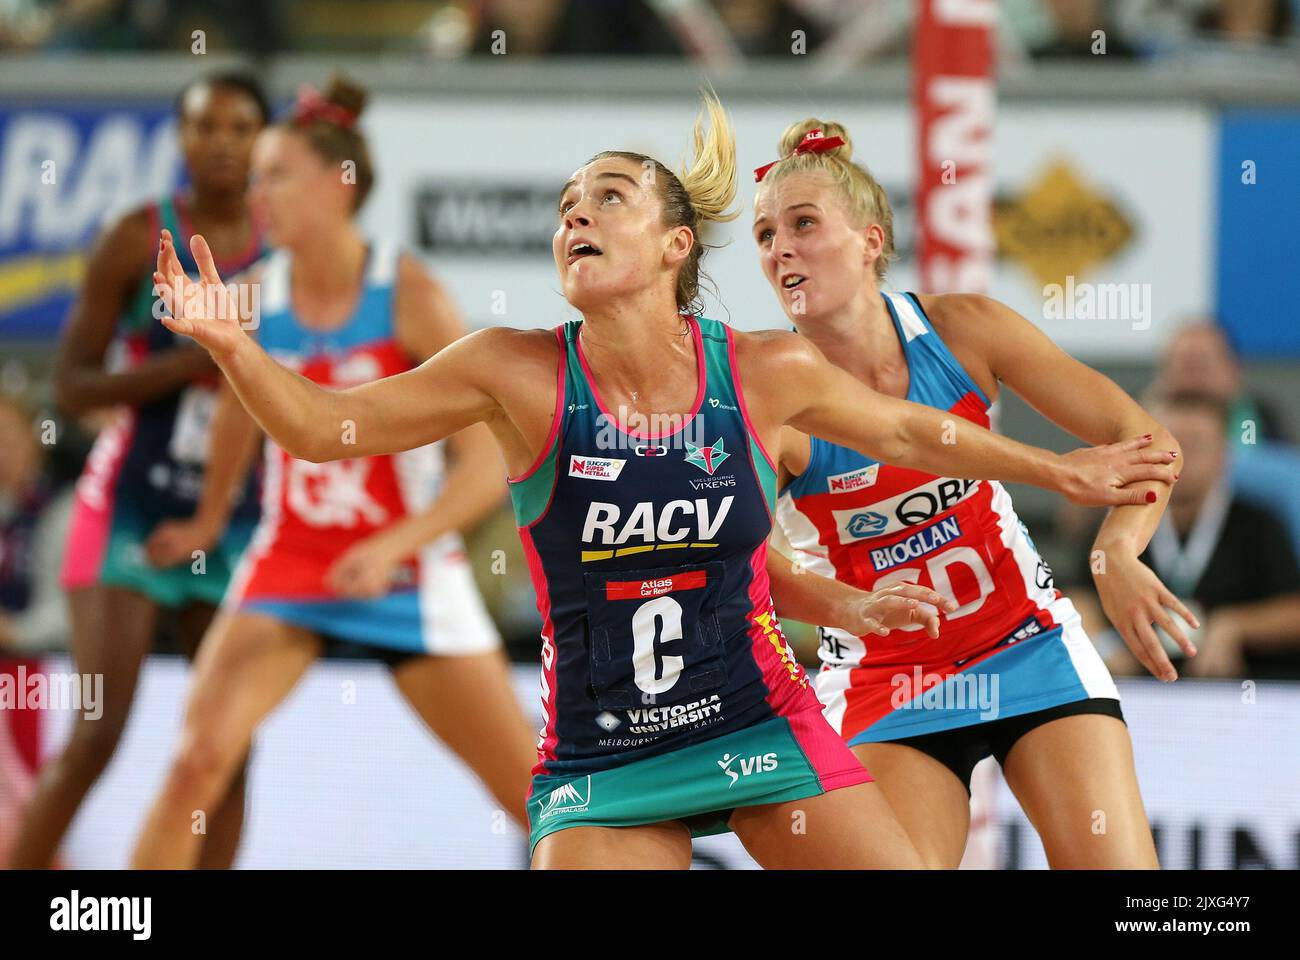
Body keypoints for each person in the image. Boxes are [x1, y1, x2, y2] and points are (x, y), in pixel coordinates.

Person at [136, 94, 1171, 870]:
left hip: (761, 724)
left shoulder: (764, 371)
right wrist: (235, 350)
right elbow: (325, 429)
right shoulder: (516, 368)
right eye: (563, 206)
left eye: (607, 197)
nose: (575, 216)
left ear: (673, 246)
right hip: (609, 755)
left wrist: (1060, 472)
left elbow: (920, 433)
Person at [752, 118, 1186, 868]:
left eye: (802, 224)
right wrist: (852, 609)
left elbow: (1148, 441)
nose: (779, 248)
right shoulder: (771, 394)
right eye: (763, 235)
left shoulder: (961, 330)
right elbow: (746, 570)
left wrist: (1116, 555)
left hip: (1026, 643)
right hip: (885, 678)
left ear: (871, 240)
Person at [130, 76, 538, 869]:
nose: (256, 195)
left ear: (336, 186)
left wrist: (400, 544)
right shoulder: (251, 296)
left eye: (274, 175)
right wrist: (210, 521)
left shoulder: (406, 292)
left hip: (408, 571)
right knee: (193, 762)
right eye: (253, 179)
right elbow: (233, 425)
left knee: (529, 788)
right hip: (294, 561)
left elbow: (484, 465)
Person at [9, 70, 270, 870]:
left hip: (228, 515)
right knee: (100, 727)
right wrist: (189, 361)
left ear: (264, 139)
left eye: (238, 128)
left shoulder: (282, 245)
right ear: (181, 139)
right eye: (204, 127)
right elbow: (72, 385)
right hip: (126, 505)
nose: (220, 144)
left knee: (226, 746)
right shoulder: (137, 236)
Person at [1085, 391, 1300, 680]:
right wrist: (1104, 646)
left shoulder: (1258, 524)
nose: (1177, 462)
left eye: (1194, 447)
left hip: (1236, 691)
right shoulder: (1118, 518)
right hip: (1137, 692)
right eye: (1167, 448)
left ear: (1223, 454)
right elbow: (1076, 595)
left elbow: (1293, 610)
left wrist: (1236, 626)